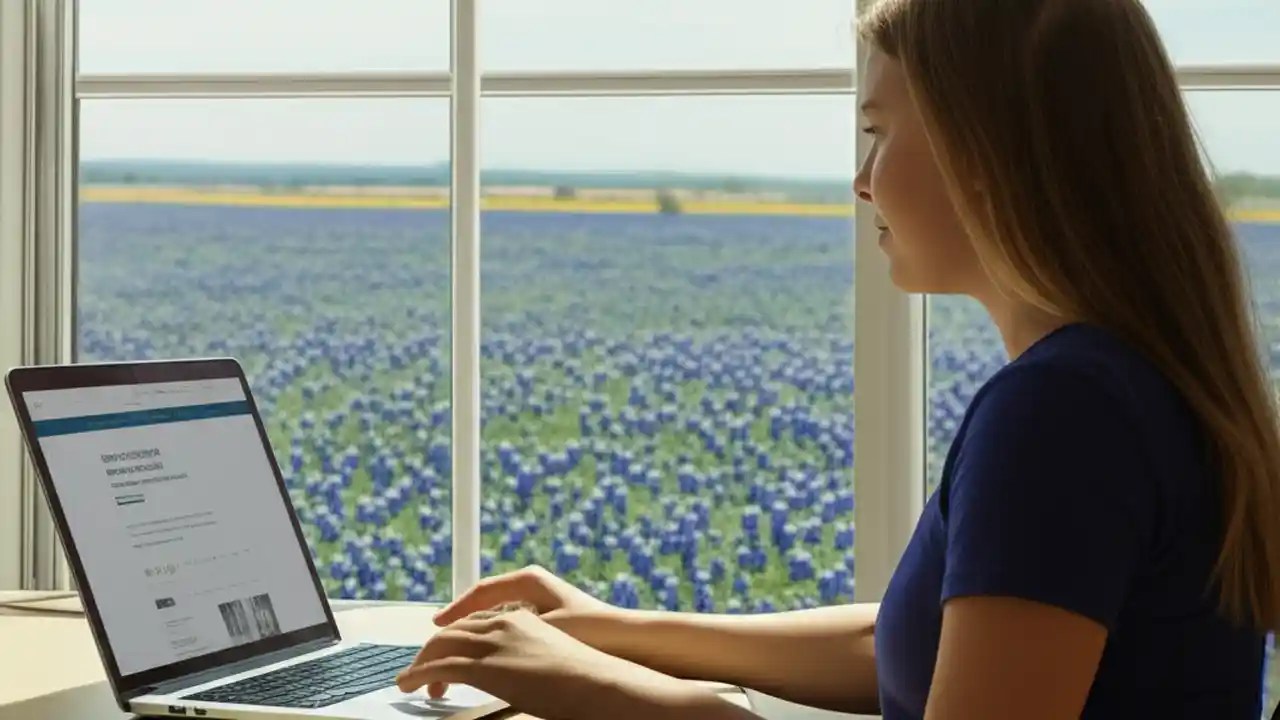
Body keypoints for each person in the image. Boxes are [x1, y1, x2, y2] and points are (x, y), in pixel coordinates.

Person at [396, 0, 1280, 717]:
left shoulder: (1061, 414)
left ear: (991, 152)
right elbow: (906, 645)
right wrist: (611, 629)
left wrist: (599, 689)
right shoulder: (1126, 381)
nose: (862, 180)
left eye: (879, 131)